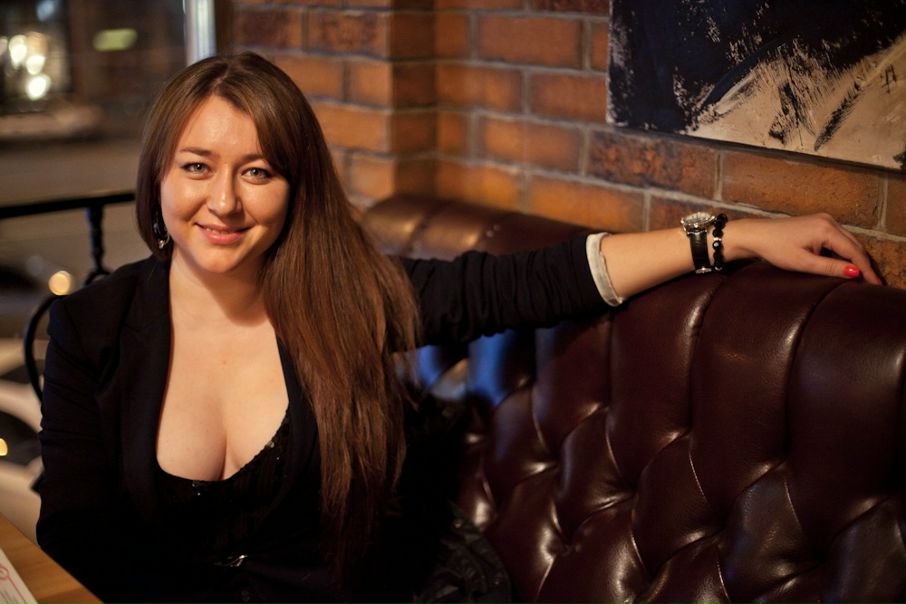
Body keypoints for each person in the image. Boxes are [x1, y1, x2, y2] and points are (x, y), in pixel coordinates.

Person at [35, 52, 881, 604]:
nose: (223, 201)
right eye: (197, 167)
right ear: (158, 176)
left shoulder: (347, 297)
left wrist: (726, 238)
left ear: (294, 191)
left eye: (257, 172)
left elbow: (531, 283)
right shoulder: (92, 329)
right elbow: (75, 530)